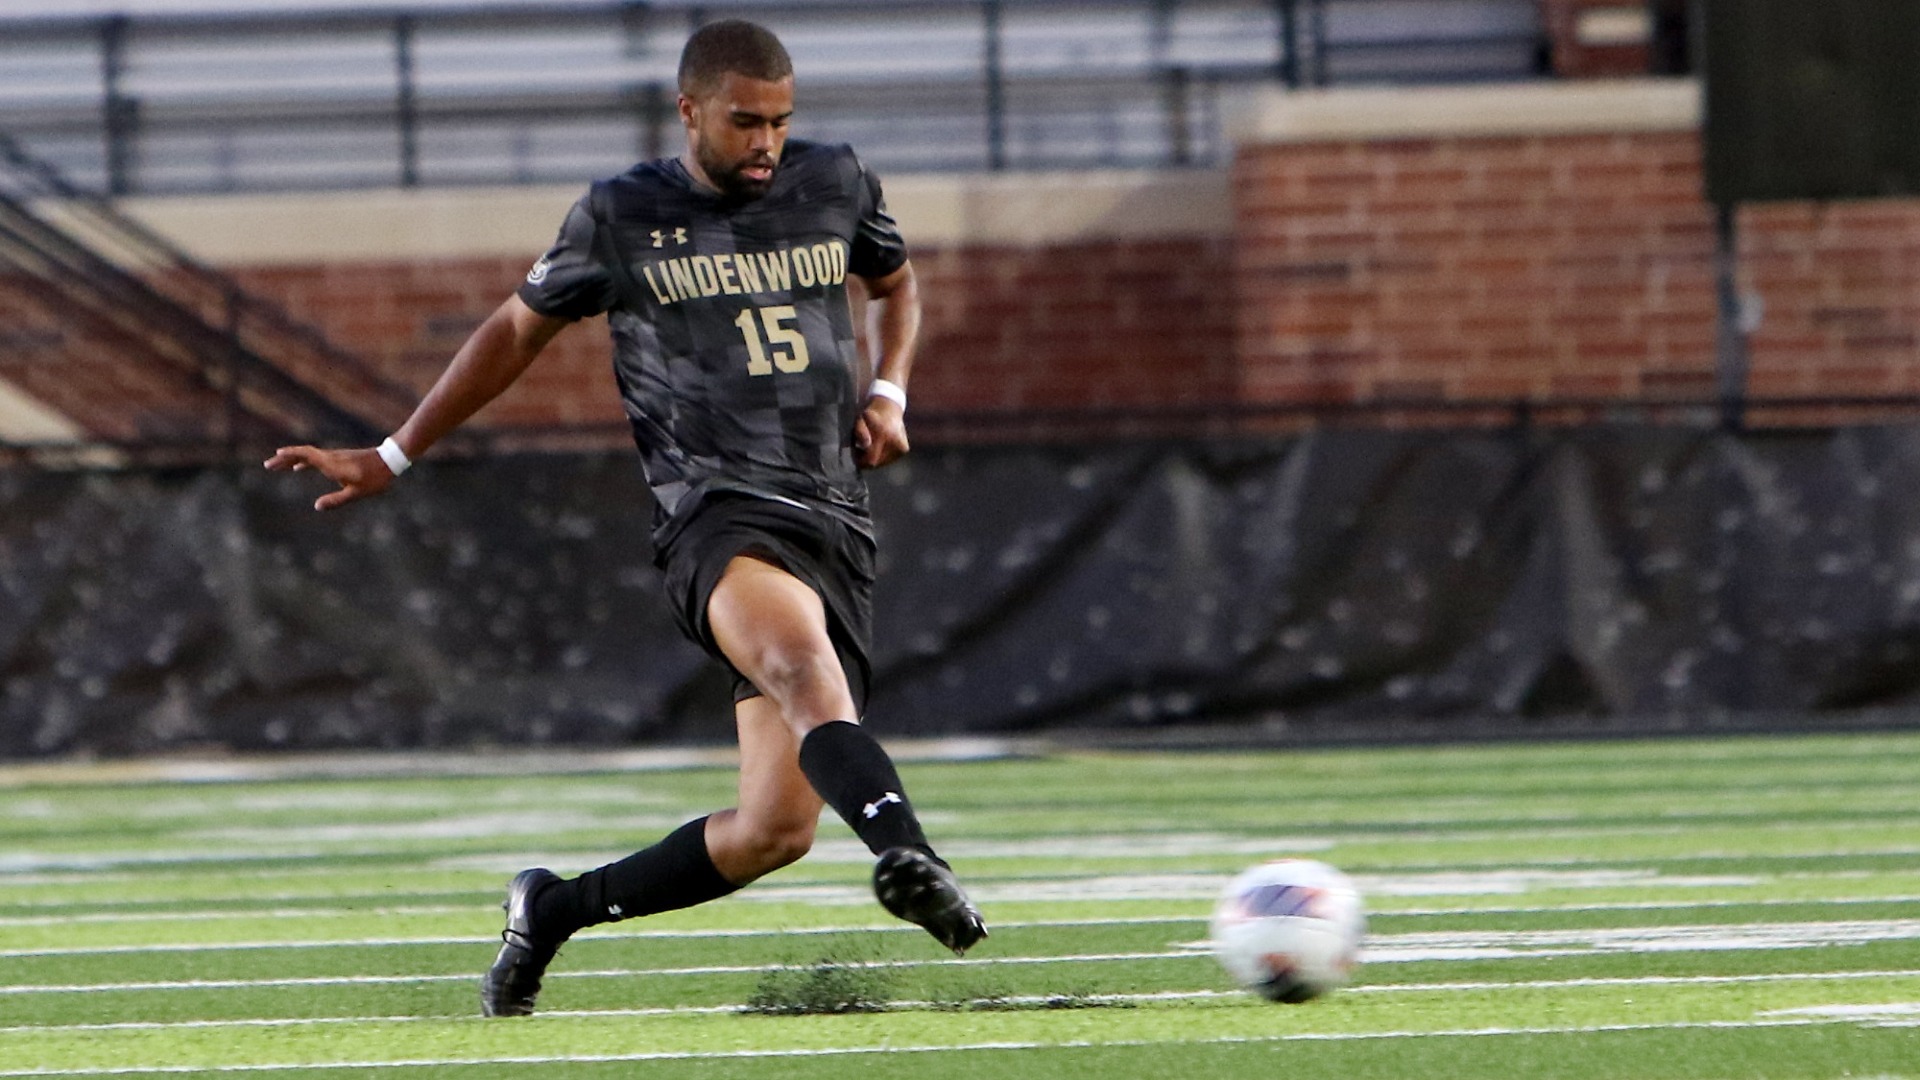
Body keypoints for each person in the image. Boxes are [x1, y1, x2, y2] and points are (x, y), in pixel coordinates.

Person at [264, 17, 986, 1018]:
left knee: (774, 830)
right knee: (801, 672)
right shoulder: (621, 214)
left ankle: (554, 908)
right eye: (745, 123)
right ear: (688, 111)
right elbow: (513, 333)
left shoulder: (836, 181)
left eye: (780, 122)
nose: (767, 144)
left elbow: (896, 286)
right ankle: (911, 855)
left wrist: (892, 393)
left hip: (834, 516)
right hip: (716, 515)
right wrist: (394, 452)